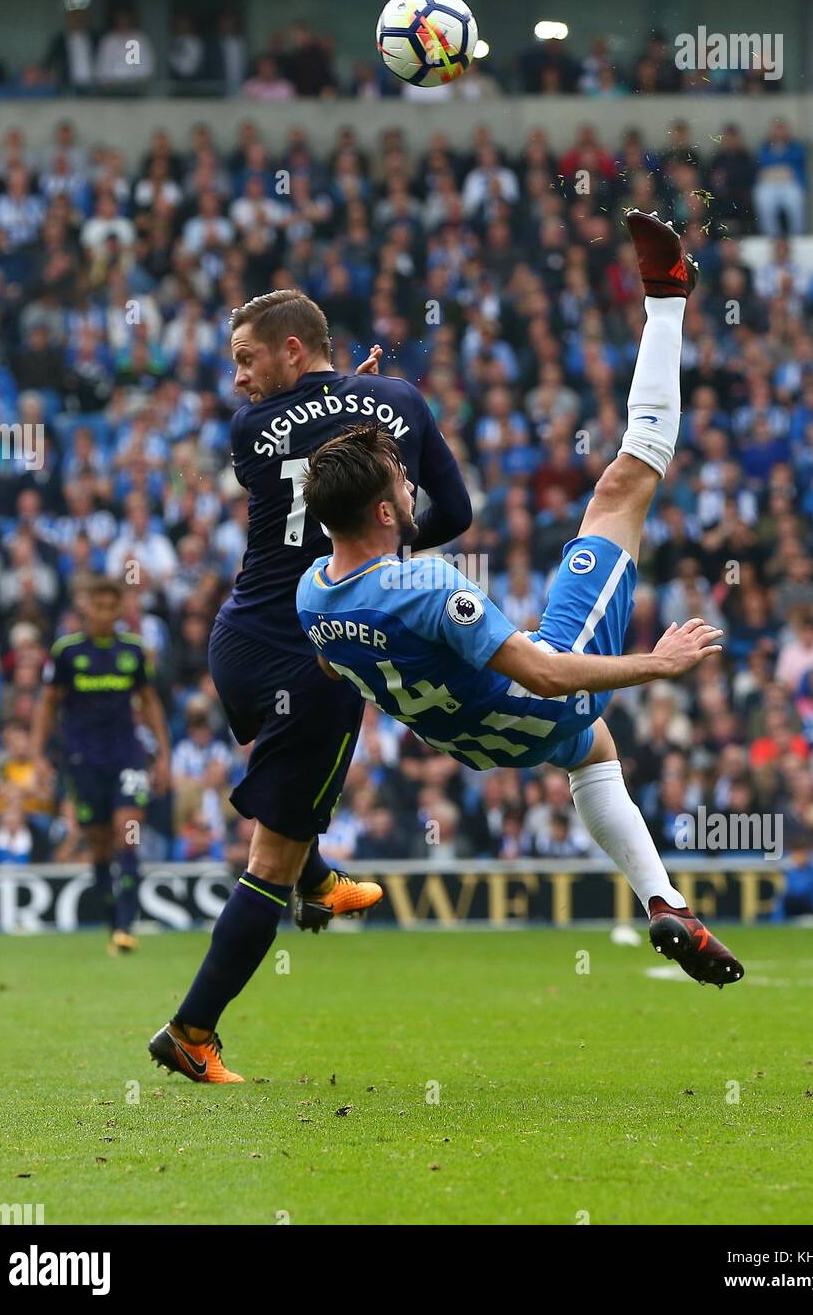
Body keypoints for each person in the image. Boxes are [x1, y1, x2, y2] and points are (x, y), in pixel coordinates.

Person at [298, 213, 745, 993]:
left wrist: (356, 405)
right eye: (402, 484)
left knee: (593, 748)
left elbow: (340, 669)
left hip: (472, 746)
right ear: (379, 513)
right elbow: (546, 677)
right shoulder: (429, 587)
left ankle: (666, 900)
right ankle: (669, 297)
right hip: (529, 704)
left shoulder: (312, 595)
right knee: (621, 488)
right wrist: (660, 664)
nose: (412, 488)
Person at [148, 289, 472, 1083]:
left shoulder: (250, 431)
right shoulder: (400, 400)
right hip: (312, 655)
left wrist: (352, 412)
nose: (238, 381)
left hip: (243, 645)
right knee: (272, 859)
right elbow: (455, 511)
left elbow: (312, 436)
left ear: (293, 351)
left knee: (293, 823)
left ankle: (320, 879)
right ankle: (192, 1031)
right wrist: (390, 546)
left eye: (247, 360)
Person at [30, 575, 171, 955]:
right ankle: (113, 922)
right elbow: (47, 704)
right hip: (82, 760)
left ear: (120, 609)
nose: (105, 612)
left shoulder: (134, 650)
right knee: (99, 846)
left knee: (128, 832)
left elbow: (150, 702)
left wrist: (164, 756)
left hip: (127, 755)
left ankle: (127, 925)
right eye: (99, 605)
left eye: (112, 606)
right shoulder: (67, 652)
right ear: (86, 607)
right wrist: (37, 756)